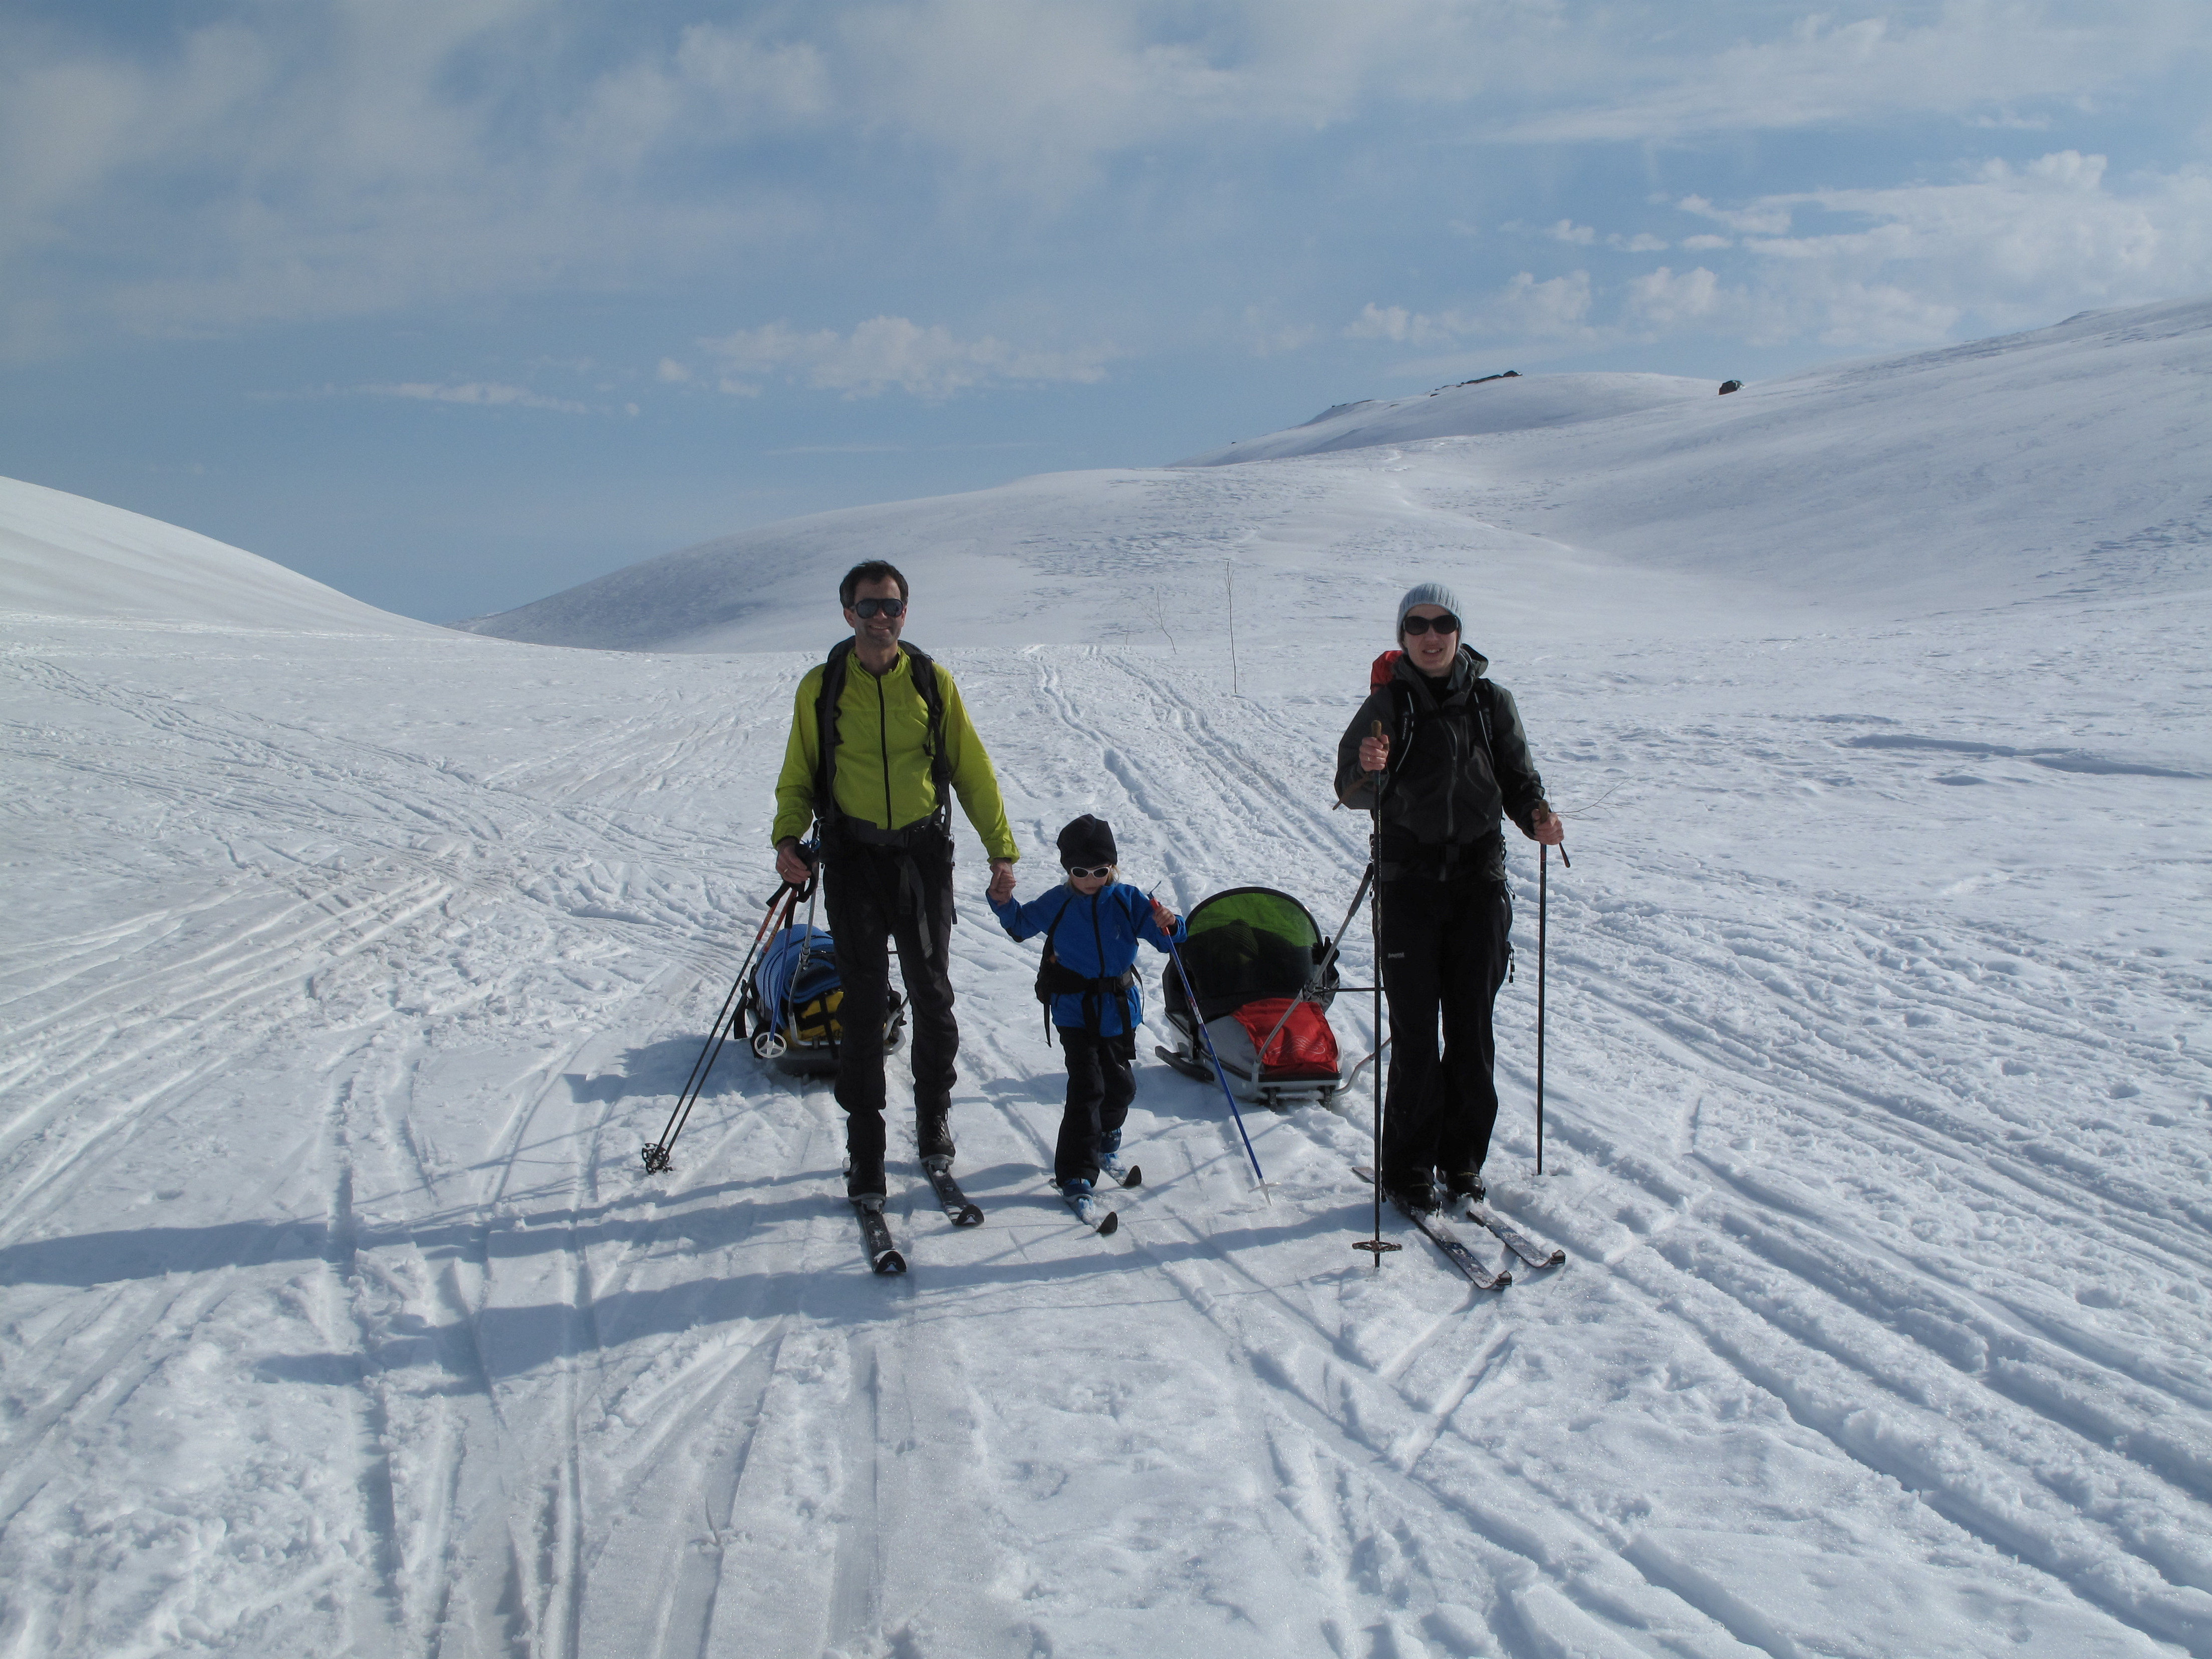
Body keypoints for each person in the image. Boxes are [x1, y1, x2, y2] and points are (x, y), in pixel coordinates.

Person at [772, 561, 1019, 1202]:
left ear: (905, 612)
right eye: (868, 606)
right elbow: (799, 772)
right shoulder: (822, 687)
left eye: (891, 606)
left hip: (921, 861)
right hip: (853, 861)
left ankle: (933, 1116)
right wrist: (788, 840)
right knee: (861, 1005)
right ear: (847, 613)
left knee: (932, 996)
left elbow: (973, 770)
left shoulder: (932, 683)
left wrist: (1001, 851)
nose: (880, 617)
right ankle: (866, 1144)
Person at [1333, 581, 1564, 1212]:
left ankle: (1462, 1161)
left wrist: (1538, 818)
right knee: (1414, 1033)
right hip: (1409, 887)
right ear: (1402, 636)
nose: (1431, 636)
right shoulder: (1386, 704)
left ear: (1459, 632)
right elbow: (1349, 791)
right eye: (1417, 625)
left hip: (1477, 886)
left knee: (1471, 1029)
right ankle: (1409, 1168)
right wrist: (1368, 766)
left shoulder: (1491, 703)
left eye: (1442, 624)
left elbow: (1518, 780)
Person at [989, 814, 1183, 1215]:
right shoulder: (1058, 902)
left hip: (1118, 1008)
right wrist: (1003, 902)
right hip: (1074, 1009)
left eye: (1100, 870)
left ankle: (1105, 1143)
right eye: (1081, 872)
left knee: (1121, 1087)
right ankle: (1075, 1174)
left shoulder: (1128, 900)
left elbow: (1168, 942)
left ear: (1112, 867)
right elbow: (1021, 925)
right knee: (1087, 1087)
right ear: (1068, 871)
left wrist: (1171, 924)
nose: (1091, 879)